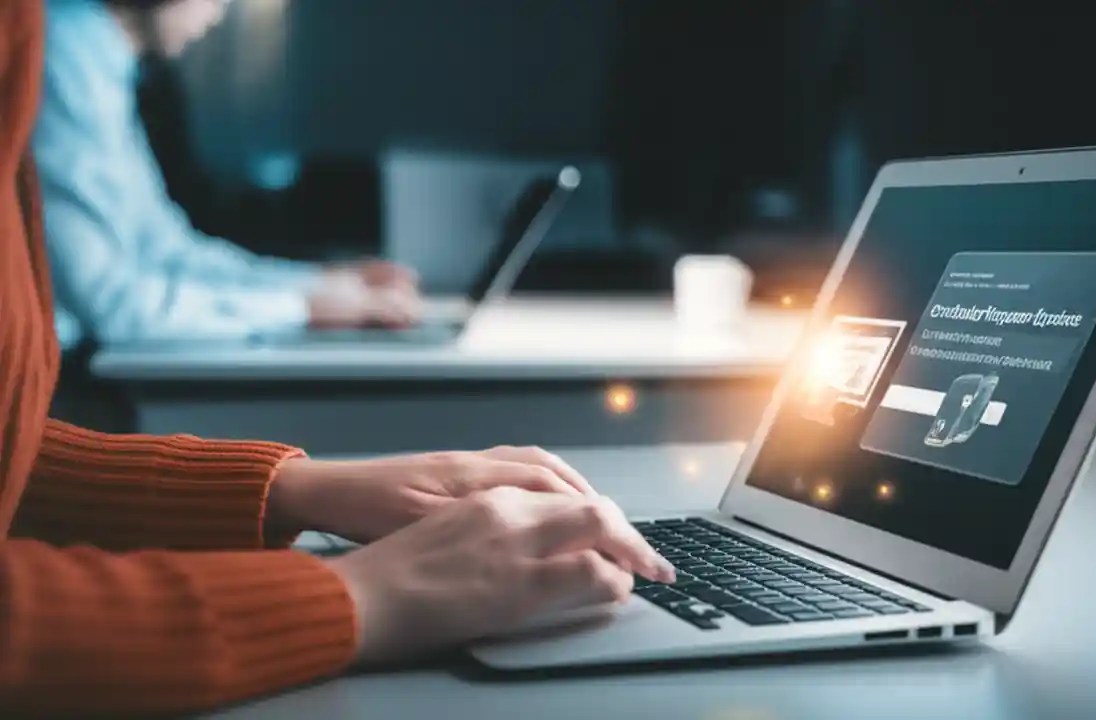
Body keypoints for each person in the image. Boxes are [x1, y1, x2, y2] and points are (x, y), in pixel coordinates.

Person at [0, 3, 675, 715]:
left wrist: (298, 487)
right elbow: (120, 295)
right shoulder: (53, 43)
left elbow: (11, 457)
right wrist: (365, 595)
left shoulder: (55, 41)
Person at [34, 0, 427, 350]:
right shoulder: (60, 60)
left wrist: (314, 284)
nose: (217, 16)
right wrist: (302, 306)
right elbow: (113, 304)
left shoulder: (97, 61)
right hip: (47, 384)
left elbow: (164, 249)